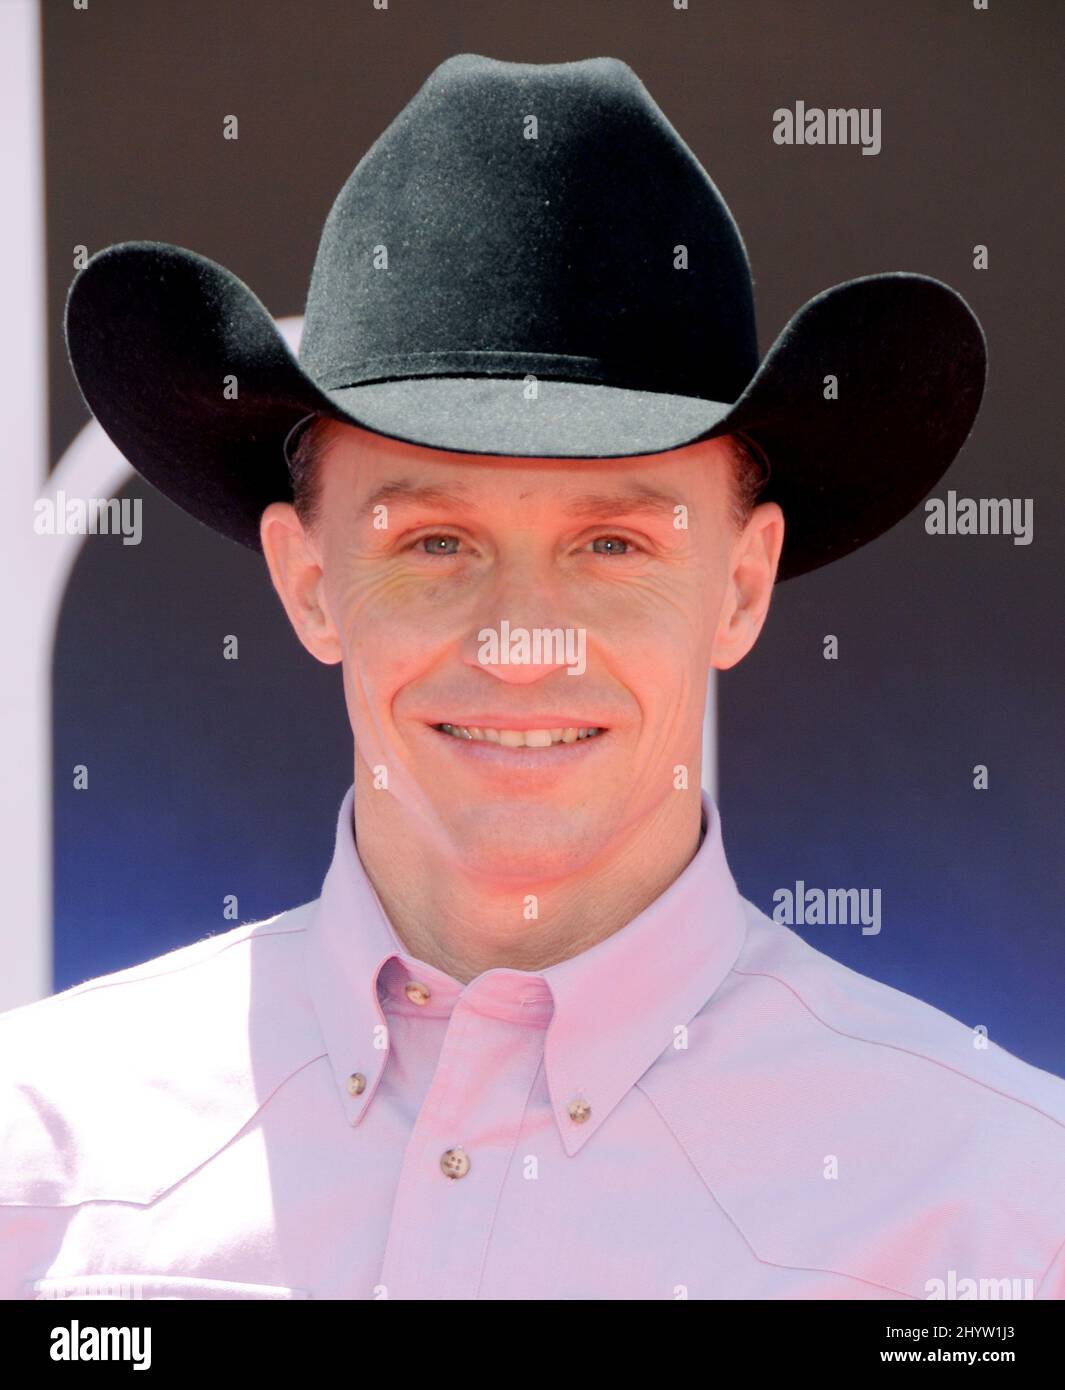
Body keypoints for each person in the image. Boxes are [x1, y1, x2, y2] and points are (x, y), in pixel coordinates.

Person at [3, 53, 1062, 1301]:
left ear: (740, 584)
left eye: (612, 545)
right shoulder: (38, 1169)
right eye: (434, 542)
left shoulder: (995, 1223)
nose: (521, 640)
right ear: (309, 580)